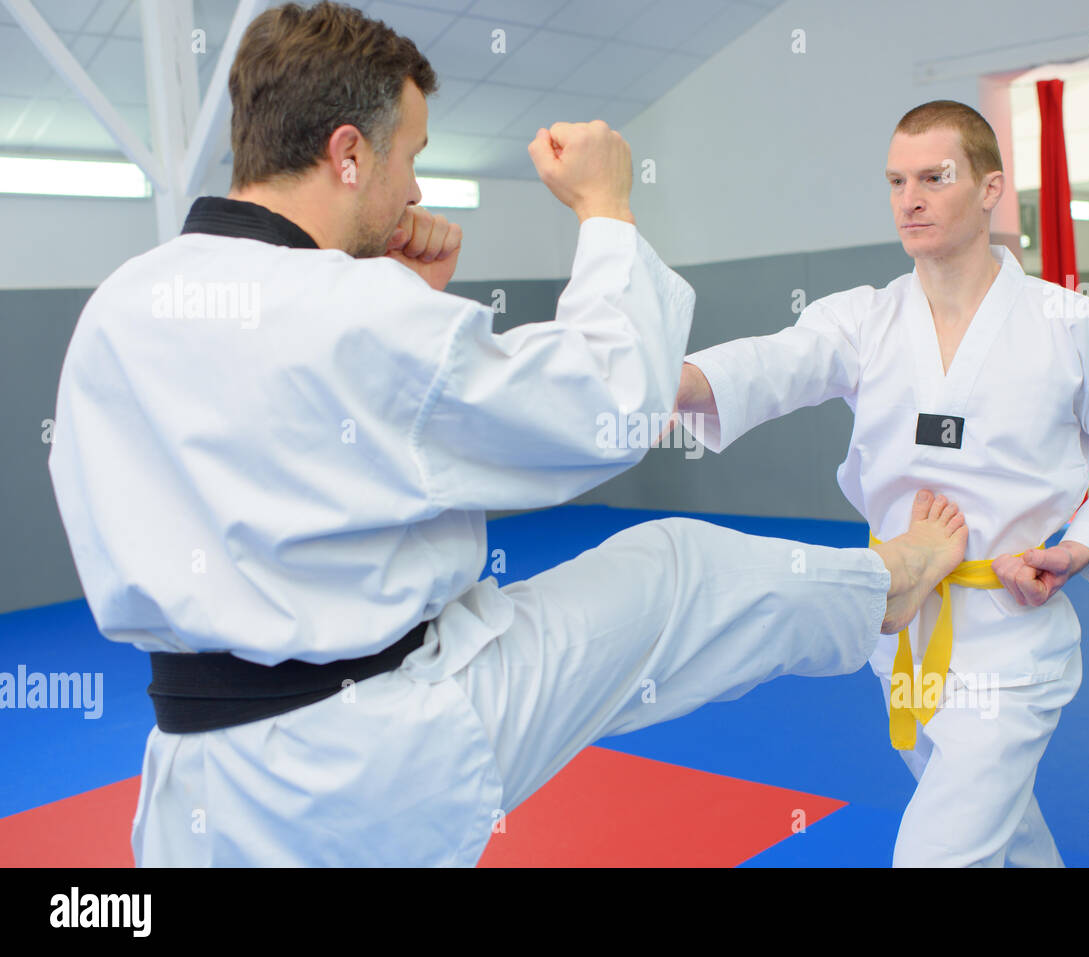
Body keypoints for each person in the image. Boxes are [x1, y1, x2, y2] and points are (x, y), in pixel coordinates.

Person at [46, 1, 969, 866]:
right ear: (347, 153)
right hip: (374, 748)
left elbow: (292, 451)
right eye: (409, 153)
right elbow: (605, 411)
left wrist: (412, 307)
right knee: (674, 573)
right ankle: (883, 583)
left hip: (193, 775)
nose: (415, 183)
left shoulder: (123, 304)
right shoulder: (350, 309)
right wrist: (607, 210)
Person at [674, 100, 1089, 867]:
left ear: (989, 189)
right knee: (1005, 834)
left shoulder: (1073, 326)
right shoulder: (864, 320)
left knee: (939, 852)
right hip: (900, 632)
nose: (909, 199)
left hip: (1012, 638)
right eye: (895, 180)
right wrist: (663, 385)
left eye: (933, 177)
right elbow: (774, 363)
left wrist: (1081, 545)